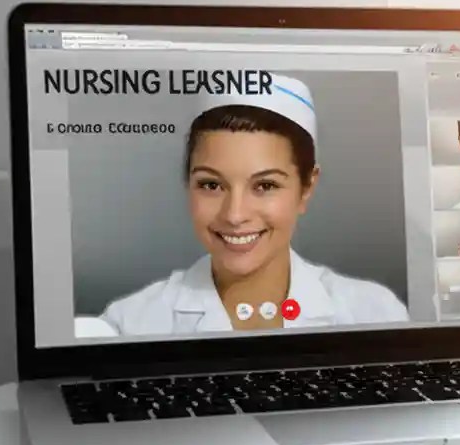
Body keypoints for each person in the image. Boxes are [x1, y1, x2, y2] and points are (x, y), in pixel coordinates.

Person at [99, 73, 410, 335]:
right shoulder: (127, 325)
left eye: (265, 185)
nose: (235, 215)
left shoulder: (376, 314)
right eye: (211, 185)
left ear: (306, 188)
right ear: (187, 183)